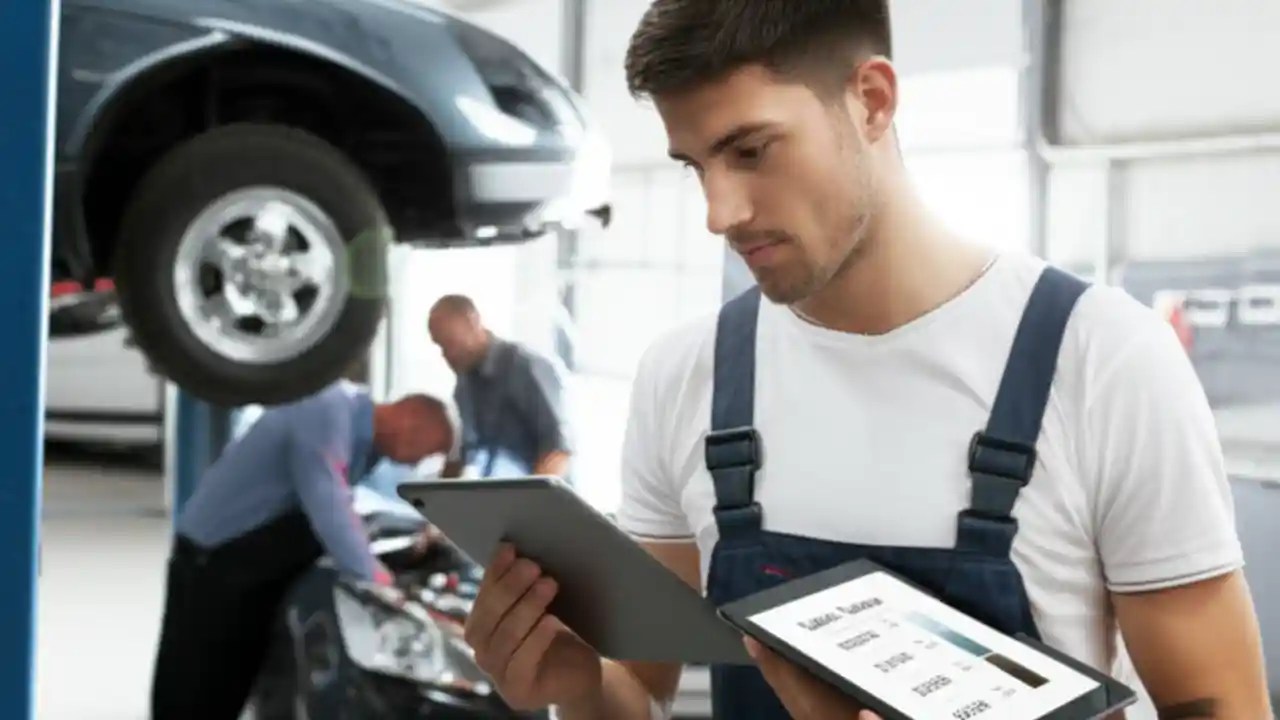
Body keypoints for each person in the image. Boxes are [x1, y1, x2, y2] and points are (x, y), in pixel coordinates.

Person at [458, 2, 1273, 720]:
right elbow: (638, 694)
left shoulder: (1103, 361)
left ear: (872, 100)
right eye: (695, 165)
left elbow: (1223, 708)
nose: (719, 212)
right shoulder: (686, 377)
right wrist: (577, 686)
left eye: (751, 150)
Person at [150, 381, 456, 720]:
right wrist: (383, 584)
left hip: (251, 566)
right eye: (426, 451)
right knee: (193, 690)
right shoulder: (327, 410)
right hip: (215, 561)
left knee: (231, 686)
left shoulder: (362, 440)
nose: (417, 462)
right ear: (410, 419)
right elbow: (331, 511)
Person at [427, 293, 573, 481]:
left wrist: (528, 502)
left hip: (540, 498)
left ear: (473, 322)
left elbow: (559, 451)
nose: (446, 355)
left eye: (450, 343)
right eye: (440, 347)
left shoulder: (526, 367)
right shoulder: (464, 385)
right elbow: (464, 455)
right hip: (495, 495)